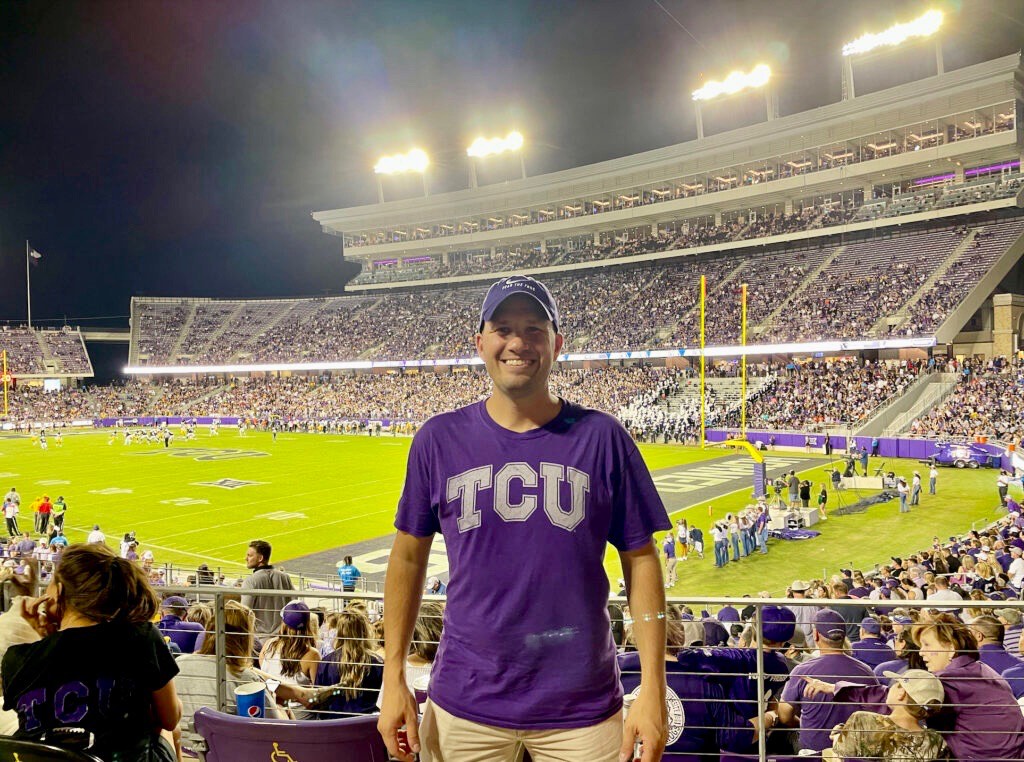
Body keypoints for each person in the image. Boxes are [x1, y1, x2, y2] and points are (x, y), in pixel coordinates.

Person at [378, 275, 671, 762]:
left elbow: (641, 559)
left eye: (534, 329)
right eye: (503, 328)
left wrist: (653, 688)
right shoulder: (438, 439)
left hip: (583, 707)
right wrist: (393, 678)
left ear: (557, 344)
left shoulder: (602, 438)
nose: (518, 343)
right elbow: (408, 558)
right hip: (463, 703)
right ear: (480, 343)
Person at [1, 543, 180, 761]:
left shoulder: (16, 659)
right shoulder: (141, 636)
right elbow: (170, 718)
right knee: (169, 731)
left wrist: (46, 640)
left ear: (58, 592)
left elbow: (61, 672)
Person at [817, 612, 1024, 761]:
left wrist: (837, 688)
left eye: (927, 645)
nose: (921, 652)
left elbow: (893, 698)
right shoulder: (980, 669)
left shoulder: (951, 679)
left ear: (950, 648)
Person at [777, 608, 880, 754]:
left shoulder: (802, 671)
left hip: (815, 752)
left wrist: (802, 725)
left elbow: (784, 715)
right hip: (852, 751)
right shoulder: (866, 671)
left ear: (816, 635)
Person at [821, 669, 949, 761]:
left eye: (895, 685)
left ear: (901, 694)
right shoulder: (936, 741)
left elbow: (839, 758)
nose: (890, 688)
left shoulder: (863, 720)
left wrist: (838, 738)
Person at [315, 609, 383, 717]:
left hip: (333, 725)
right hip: (367, 725)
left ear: (340, 631)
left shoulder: (326, 662)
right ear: (365, 631)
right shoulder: (378, 663)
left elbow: (319, 699)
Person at [259, 601, 320, 691]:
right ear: (308, 624)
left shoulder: (268, 645)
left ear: (283, 623)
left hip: (269, 702)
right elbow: (318, 690)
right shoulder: (312, 655)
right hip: (297, 704)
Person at [240, 539, 295, 635]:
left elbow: (244, 612)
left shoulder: (250, 581)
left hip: (260, 638)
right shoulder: (285, 577)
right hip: (283, 637)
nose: (246, 558)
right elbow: (294, 603)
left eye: (249, 555)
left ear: (260, 558)